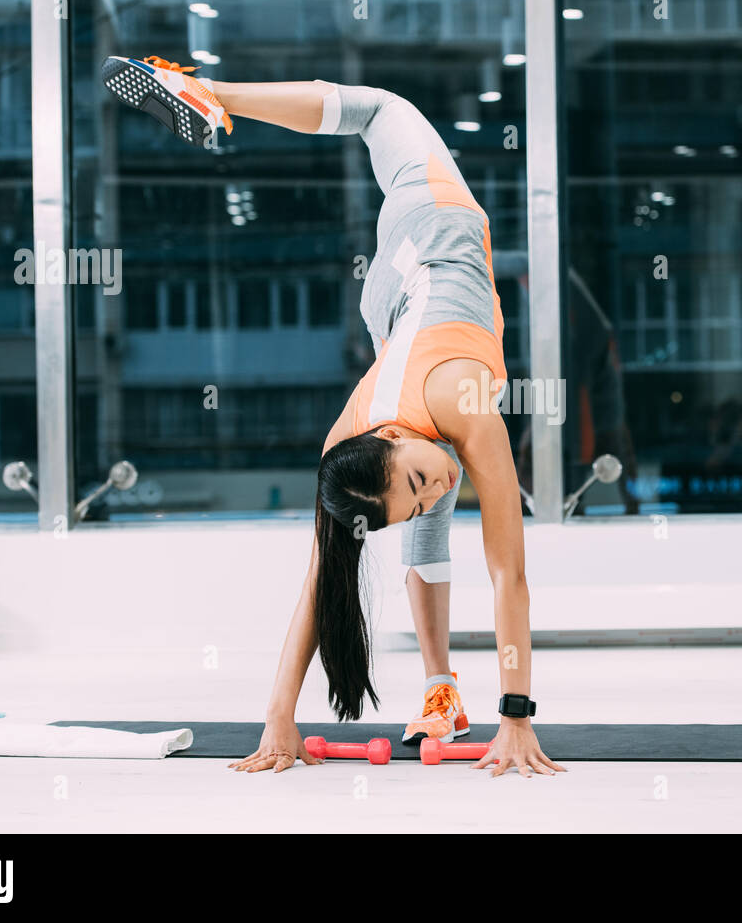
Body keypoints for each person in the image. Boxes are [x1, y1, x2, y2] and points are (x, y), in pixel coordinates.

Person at [101, 55, 562, 777]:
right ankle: (439, 688)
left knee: (377, 107)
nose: (438, 486)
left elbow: (510, 573)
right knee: (429, 518)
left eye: (417, 482)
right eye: (416, 495)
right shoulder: (350, 448)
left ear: (392, 434)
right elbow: (324, 576)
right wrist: (277, 718)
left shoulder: (466, 406)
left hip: (430, 223)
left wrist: (517, 715)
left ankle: (208, 89)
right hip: (391, 306)